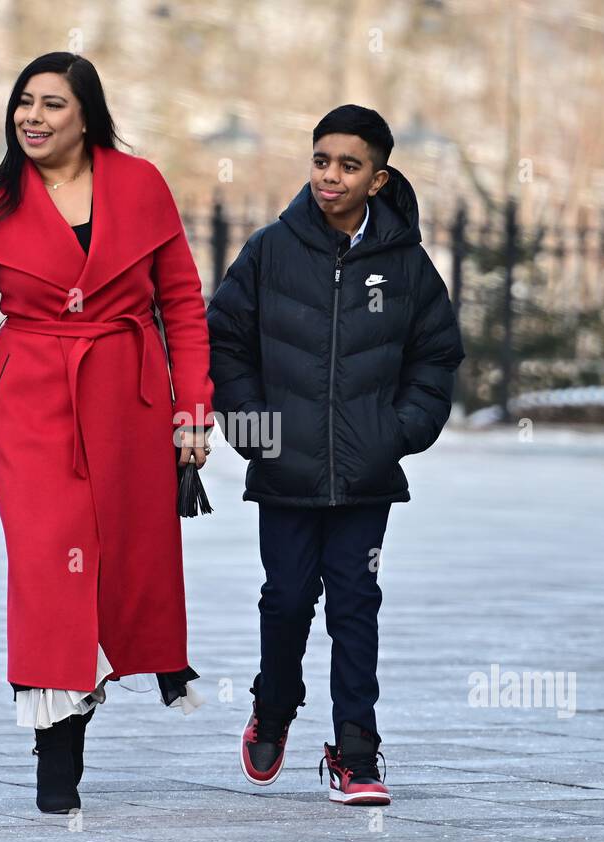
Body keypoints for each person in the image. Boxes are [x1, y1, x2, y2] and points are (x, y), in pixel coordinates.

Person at [0, 52, 214, 814]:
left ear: (86, 115)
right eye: (24, 103)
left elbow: (181, 304)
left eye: (51, 104)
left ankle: (97, 694)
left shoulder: (140, 185)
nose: (33, 117)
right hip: (31, 407)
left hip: (128, 399)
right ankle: (56, 746)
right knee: (49, 565)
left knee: (114, 562)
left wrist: (193, 411)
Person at [207, 104, 464, 805]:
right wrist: (255, 431)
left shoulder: (405, 264)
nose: (331, 176)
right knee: (286, 598)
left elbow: (437, 354)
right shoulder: (271, 249)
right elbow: (222, 338)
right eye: (321, 160)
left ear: (378, 178)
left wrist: (399, 429)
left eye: (349, 166)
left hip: (366, 475)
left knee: (356, 603)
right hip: (284, 470)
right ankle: (276, 704)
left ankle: (356, 747)